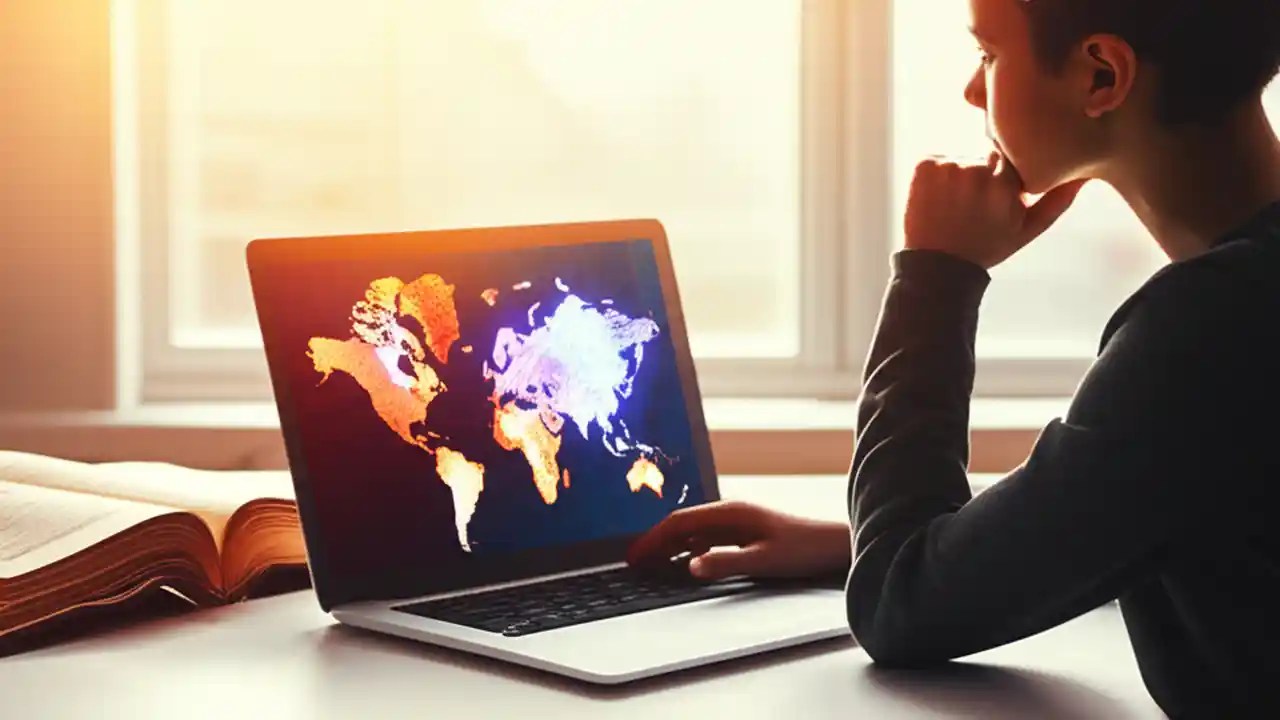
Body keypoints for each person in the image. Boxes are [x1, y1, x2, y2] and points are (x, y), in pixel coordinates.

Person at [626, 0, 1280, 715]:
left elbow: (897, 611)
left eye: (990, 56)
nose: (974, 90)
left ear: (1101, 76)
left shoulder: (1208, 331)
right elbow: (1150, 519)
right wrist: (870, 545)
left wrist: (937, 275)